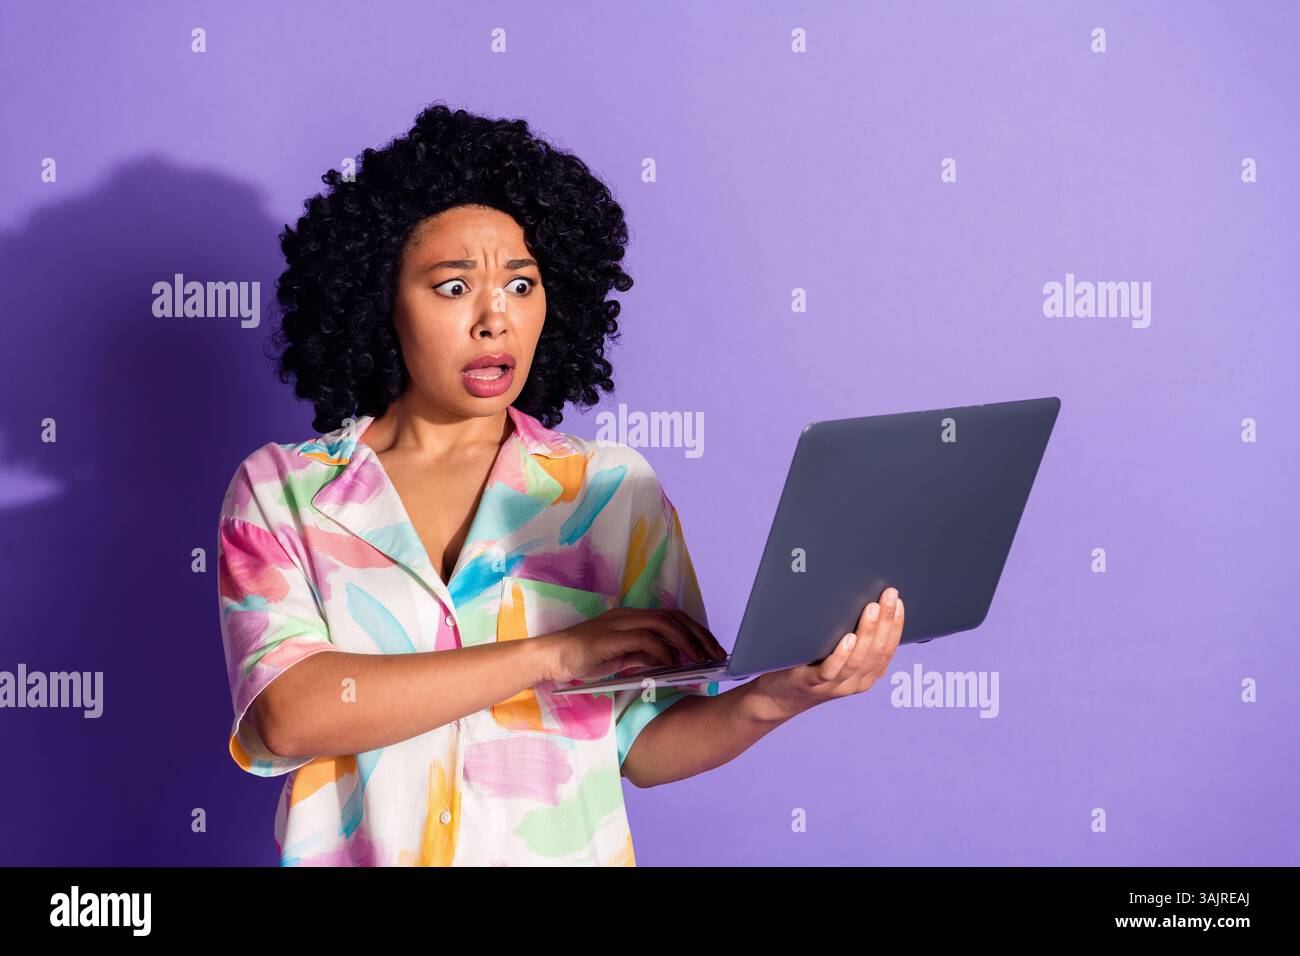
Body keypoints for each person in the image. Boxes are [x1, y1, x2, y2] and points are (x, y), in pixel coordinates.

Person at [216, 102, 905, 866]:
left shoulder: (611, 492)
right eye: (453, 287)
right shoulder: (283, 492)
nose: (495, 319)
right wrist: (555, 656)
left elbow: (646, 743)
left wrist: (784, 694)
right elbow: (288, 716)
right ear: (382, 302)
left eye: (521, 285)